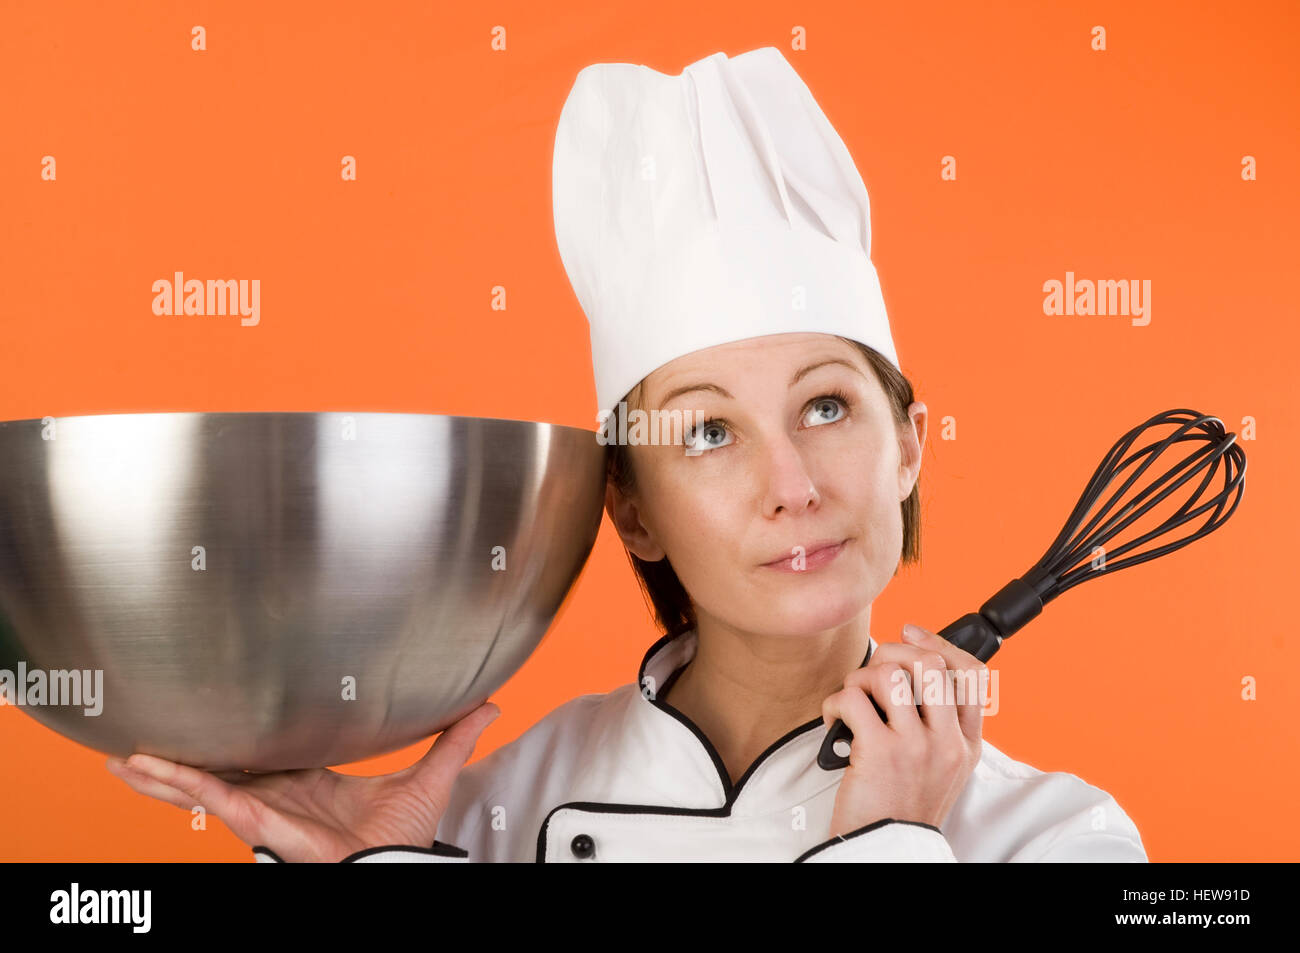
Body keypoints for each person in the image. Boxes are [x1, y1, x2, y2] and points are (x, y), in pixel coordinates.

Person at [107, 47, 1147, 863]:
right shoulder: (480, 813)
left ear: (910, 444)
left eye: (826, 405)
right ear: (631, 508)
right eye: (706, 430)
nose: (791, 486)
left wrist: (893, 839)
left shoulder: (1058, 834)